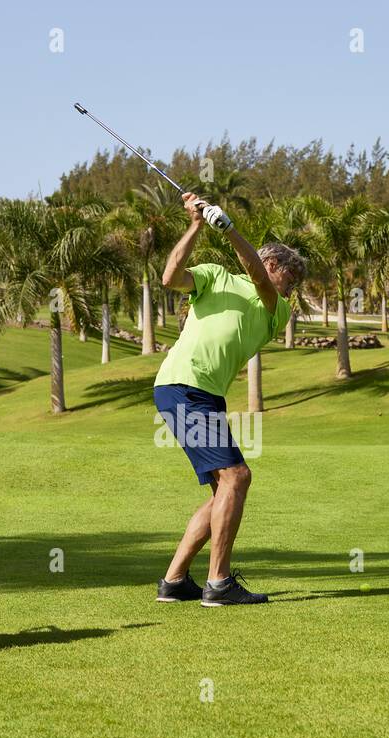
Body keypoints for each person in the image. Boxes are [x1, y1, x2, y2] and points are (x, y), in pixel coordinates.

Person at [152, 192, 305, 606]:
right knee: (238, 477)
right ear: (276, 265)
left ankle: (174, 581)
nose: (292, 290)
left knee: (225, 489)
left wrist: (230, 229)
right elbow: (169, 277)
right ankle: (218, 584)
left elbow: (256, 276)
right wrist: (199, 225)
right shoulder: (216, 276)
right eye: (290, 279)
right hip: (184, 386)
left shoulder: (276, 308)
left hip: (204, 395)